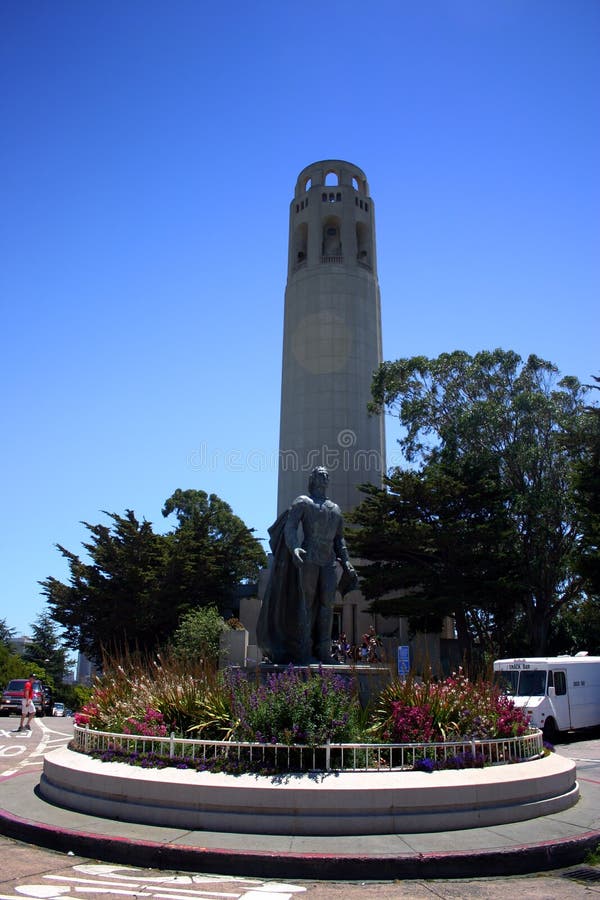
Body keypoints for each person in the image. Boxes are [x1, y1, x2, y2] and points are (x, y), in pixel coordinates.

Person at [257, 467, 358, 664]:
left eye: (326, 475)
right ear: (312, 479)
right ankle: (303, 650)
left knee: (327, 605)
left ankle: (323, 651)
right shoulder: (303, 502)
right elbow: (291, 526)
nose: (324, 477)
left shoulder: (335, 509)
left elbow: (340, 540)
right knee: (306, 604)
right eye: (320, 474)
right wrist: (294, 547)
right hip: (309, 558)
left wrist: (346, 561)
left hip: (329, 562)